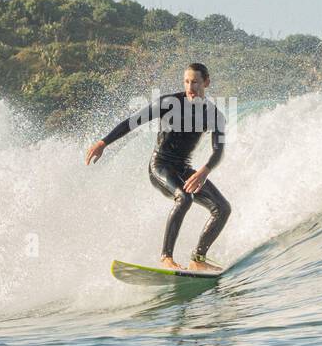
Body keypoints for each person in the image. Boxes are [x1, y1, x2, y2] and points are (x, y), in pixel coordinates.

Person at [86, 63, 230, 271]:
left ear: (206, 82)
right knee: (184, 197)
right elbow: (132, 122)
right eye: (187, 82)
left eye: (195, 82)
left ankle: (198, 259)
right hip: (160, 166)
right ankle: (166, 257)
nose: (190, 87)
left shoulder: (214, 115)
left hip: (184, 168)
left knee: (222, 209)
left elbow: (218, 151)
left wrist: (205, 170)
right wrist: (103, 142)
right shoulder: (169, 103)